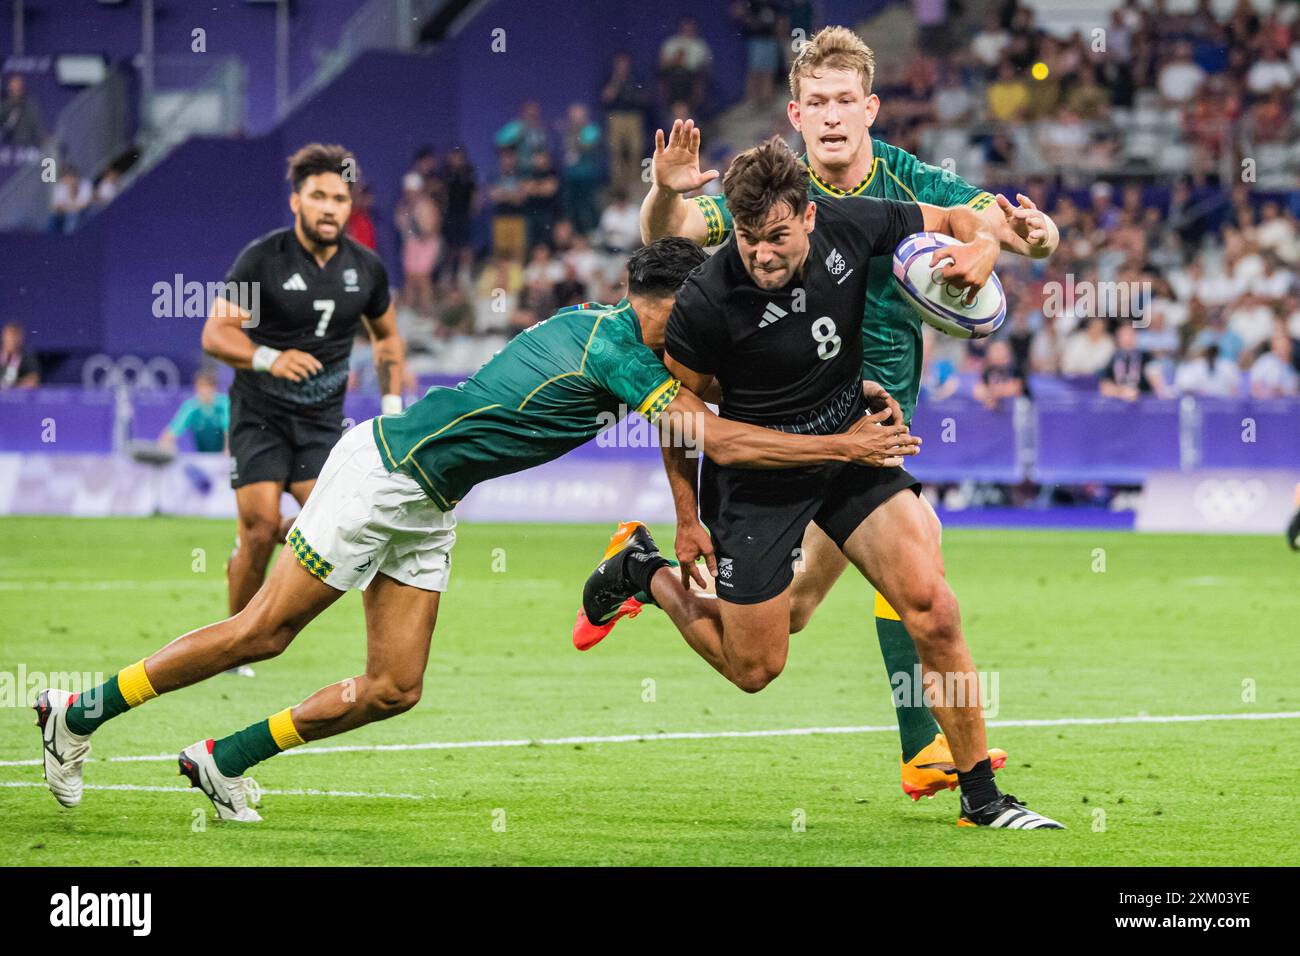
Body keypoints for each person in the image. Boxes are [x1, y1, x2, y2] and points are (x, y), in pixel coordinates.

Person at [34, 238, 921, 823]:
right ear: (660, 300)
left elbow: (675, 421)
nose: (697, 328)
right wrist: (843, 441)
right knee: (262, 633)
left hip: (429, 500)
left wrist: (688, 515)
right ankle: (79, 712)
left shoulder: (628, 344)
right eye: (687, 311)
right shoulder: (612, 347)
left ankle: (221, 758)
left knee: (393, 686)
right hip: (383, 474)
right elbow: (710, 431)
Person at [580, 141, 1061, 829]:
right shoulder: (706, 301)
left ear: (809, 216)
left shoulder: (851, 221)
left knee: (932, 605)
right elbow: (688, 426)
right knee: (755, 666)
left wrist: (982, 248)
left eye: (777, 236)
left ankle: (982, 798)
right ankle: (643, 571)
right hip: (757, 480)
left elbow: (958, 217)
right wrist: (687, 521)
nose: (762, 255)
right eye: (748, 240)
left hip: (849, 453)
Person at [199, 143, 408, 640]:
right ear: (296, 202)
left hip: (320, 423)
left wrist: (392, 410)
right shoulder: (262, 259)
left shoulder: (366, 269)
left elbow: (388, 340)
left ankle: (265, 601)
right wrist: (270, 357)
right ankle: (235, 644)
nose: (330, 207)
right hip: (260, 412)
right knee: (258, 527)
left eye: (339, 198)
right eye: (318, 196)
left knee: (333, 527)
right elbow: (215, 333)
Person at [159, 369, 230, 453]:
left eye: (207, 387)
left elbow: (229, 431)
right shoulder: (190, 407)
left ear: (214, 388)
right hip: (203, 458)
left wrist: (226, 455)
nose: (204, 391)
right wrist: (166, 445)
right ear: (196, 388)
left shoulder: (224, 404)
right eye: (201, 387)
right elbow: (170, 433)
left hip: (225, 457)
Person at [0, 322, 40, 389]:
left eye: (14, 336)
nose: (11, 340)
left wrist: (12, 388)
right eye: (9, 336)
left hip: (17, 397)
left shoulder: (28, 357)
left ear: (20, 338)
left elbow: (33, 380)